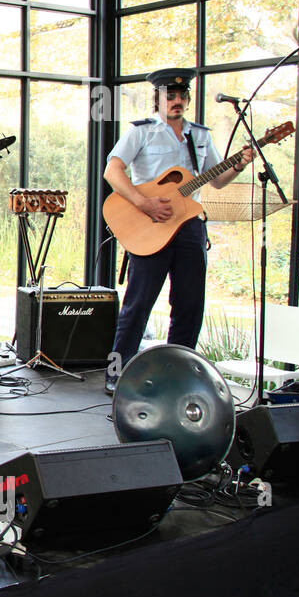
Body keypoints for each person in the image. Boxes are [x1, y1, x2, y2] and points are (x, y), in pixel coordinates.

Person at [104, 68, 253, 394]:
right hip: (151, 226)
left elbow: (216, 179)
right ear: (156, 99)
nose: (178, 101)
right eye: (170, 96)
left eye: (182, 95)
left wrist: (238, 164)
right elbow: (112, 171)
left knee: (189, 306)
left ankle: (179, 373)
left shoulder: (200, 135)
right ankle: (116, 373)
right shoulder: (141, 132)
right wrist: (144, 204)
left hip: (189, 229)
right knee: (137, 304)